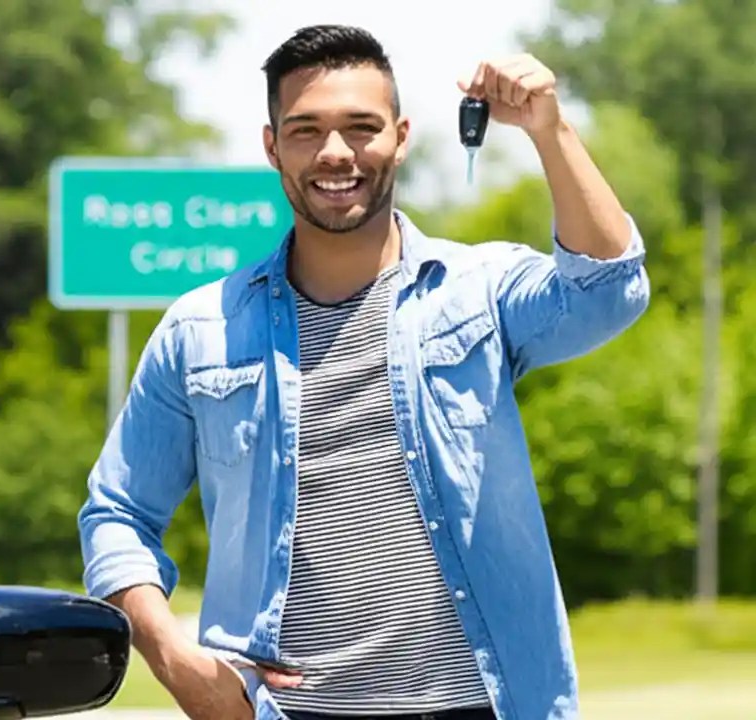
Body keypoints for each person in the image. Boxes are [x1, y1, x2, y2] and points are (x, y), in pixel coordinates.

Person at [77, 23, 648, 720]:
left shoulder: (477, 290)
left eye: (361, 126)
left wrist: (547, 130)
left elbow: (608, 290)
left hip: (484, 706)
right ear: (271, 146)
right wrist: (176, 662)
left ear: (401, 137)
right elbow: (118, 513)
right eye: (307, 130)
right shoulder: (201, 332)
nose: (336, 152)